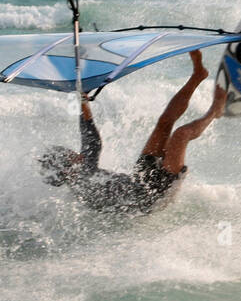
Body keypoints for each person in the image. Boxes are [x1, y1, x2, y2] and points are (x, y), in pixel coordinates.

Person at [41, 50, 227, 214]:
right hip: (155, 197)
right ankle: (214, 112)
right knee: (181, 135)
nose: (75, 154)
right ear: (66, 169)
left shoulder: (82, 176)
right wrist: (82, 101)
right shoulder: (84, 186)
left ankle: (197, 75)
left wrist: (82, 100)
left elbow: (91, 142)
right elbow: (93, 144)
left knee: (163, 123)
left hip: (141, 179)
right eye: (69, 155)